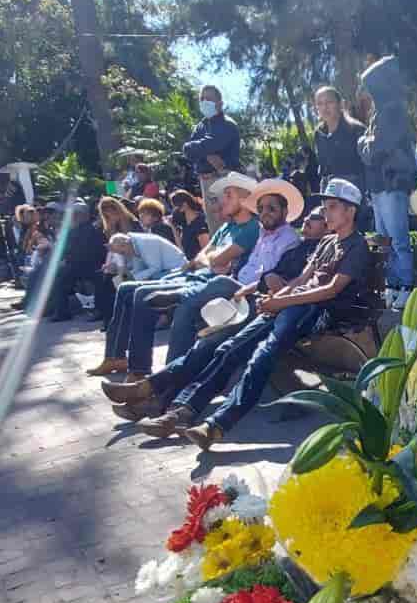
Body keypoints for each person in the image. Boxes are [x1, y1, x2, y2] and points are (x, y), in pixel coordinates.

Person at [105, 178, 374, 449]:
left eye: (332, 206)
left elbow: (331, 290)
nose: (326, 212)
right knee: (230, 348)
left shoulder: (356, 246)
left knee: (261, 355)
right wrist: (275, 299)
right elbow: (301, 279)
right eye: (325, 206)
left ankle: (216, 424)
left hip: (320, 312)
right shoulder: (327, 242)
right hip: (293, 305)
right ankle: (179, 410)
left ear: (350, 211)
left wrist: (280, 302)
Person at [86, 173, 263, 377]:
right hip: (197, 276)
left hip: (215, 284)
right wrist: (209, 259)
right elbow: (202, 257)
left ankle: (142, 371)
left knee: (142, 295)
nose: (223, 201)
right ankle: (115, 356)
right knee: (126, 289)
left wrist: (208, 258)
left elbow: (214, 260)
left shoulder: (251, 228)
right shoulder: (227, 227)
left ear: (245, 198)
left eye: (229, 196)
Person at [356, 55, 417, 295]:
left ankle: (405, 285)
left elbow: (376, 149)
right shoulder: (380, 112)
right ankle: (392, 285)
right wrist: (367, 143)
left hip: (392, 183)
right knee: (385, 241)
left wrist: (362, 142)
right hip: (379, 184)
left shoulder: (393, 111)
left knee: (398, 240)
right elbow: (373, 149)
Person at [181, 85, 241, 220]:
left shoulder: (227, 124)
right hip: (206, 183)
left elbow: (211, 144)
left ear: (220, 103)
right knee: (215, 226)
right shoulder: (200, 126)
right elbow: (188, 151)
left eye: (208, 99)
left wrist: (200, 149)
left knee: (231, 222)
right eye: (201, 99)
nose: (204, 102)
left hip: (225, 180)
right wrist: (205, 151)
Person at [313, 86, 368, 192]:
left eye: (329, 102)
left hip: (354, 189)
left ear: (340, 104)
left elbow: (366, 165)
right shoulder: (318, 133)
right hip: (329, 189)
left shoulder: (356, 129)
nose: (324, 107)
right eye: (320, 104)